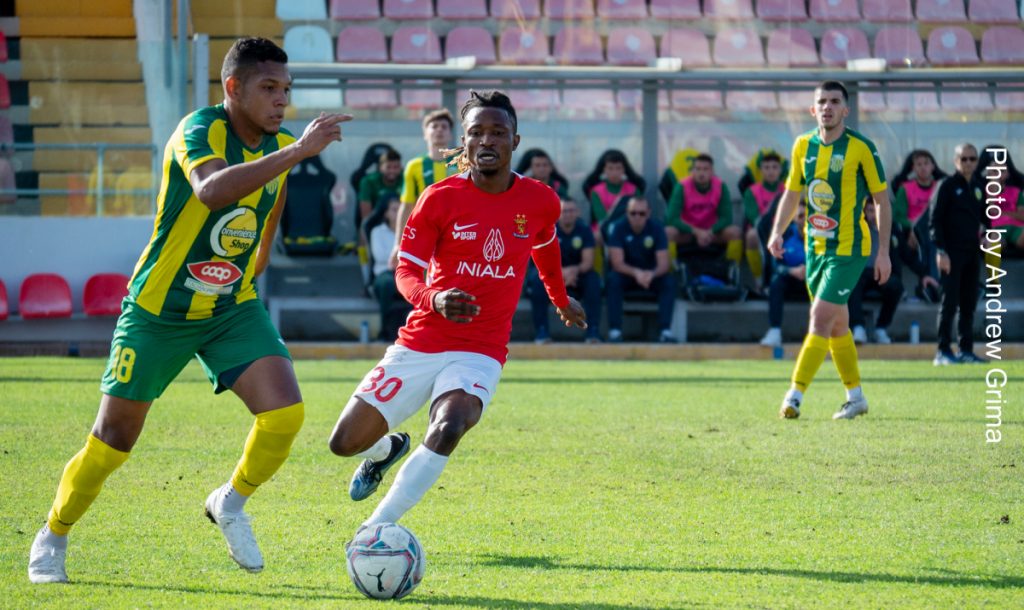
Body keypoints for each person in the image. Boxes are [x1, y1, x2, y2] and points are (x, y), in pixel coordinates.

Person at [27, 37, 352, 583]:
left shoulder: (282, 148)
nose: (281, 101)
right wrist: (297, 152)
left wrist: (247, 275)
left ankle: (230, 501)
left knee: (285, 414)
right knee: (113, 441)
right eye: (269, 88)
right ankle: (53, 534)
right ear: (234, 88)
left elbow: (266, 221)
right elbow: (210, 191)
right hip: (159, 309)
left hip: (230, 306)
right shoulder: (198, 130)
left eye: (286, 90)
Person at [327, 91, 586, 536]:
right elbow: (405, 271)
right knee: (344, 443)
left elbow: (544, 245)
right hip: (421, 341)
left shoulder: (540, 201)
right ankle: (386, 450)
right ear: (463, 144)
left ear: (515, 140)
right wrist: (435, 298)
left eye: (497, 132)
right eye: (476, 133)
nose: (487, 140)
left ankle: (375, 530)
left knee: (449, 425)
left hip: (480, 349)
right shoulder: (439, 198)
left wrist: (559, 298)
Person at [766, 80, 891, 421]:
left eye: (835, 101)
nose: (828, 107)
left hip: (849, 249)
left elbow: (881, 200)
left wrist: (883, 252)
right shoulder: (802, 145)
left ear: (845, 110)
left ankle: (794, 396)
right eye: (822, 101)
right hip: (815, 248)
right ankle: (856, 397)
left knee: (819, 318)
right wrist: (777, 231)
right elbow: (793, 193)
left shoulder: (861, 148)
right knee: (837, 327)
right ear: (813, 109)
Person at [930, 143, 987, 365]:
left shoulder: (979, 186)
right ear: (955, 161)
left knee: (968, 303)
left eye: (973, 159)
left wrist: (986, 235)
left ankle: (966, 350)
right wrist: (940, 251)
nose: (969, 163)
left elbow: (985, 218)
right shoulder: (946, 185)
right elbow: (934, 221)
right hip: (951, 253)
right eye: (964, 159)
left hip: (972, 252)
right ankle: (942, 351)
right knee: (949, 302)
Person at [527, 197, 602, 344]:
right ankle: (542, 333)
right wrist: (560, 273)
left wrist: (573, 271)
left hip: (576, 276)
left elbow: (588, 261)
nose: (568, 214)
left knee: (593, 280)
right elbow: (539, 259)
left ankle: (593, 332)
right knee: (536, 281)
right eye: (564, 211)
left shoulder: (584, 230)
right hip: (551, 274)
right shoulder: (548, 228)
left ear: (577, 212)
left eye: (571, 210)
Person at [389, 108, 457, 269]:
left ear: (450, 134)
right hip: (425, 233)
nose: (439, 129)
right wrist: (398, 244)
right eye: (434, 126)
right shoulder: (414, 166)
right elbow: (406, 205)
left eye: (444, 126)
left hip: (458, 233)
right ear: (425, 133)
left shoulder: (464, 164)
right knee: (425, 283)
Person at [605, 195, 678, 343]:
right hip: (627, 274)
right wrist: (636, 273)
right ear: (627, 213)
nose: (637, 217)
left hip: (651, 276)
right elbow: (617, 262)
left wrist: (651, 274)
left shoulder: (657, 228)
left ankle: (665, 331)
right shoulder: (618, 228)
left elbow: (664, 263)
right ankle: (615, 331)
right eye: (633, 213)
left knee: (669, 282)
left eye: (641, 213)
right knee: (613, 280)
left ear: (648, 213)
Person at [665, 153, 743, 266]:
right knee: (668, 232)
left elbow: (727, 218)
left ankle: (730, 271)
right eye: (697, 169)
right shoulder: (681, 186)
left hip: (712, 233)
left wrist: (709, 232)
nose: (701, 173)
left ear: (712, 171)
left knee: (735, 232)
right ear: (692, 171)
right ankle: (671, 272)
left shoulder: (721, 186)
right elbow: (672, 219)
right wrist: (697, 232)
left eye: (705, 169)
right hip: (688, 232)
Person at [848, 201, 904, 345]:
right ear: (865, 212)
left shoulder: (892, 230)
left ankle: (881, 328)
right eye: (870, 211)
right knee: (852, 281)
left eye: (876, 211)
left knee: (896, 286)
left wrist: (924, 274)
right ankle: (858, 327)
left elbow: (906, 254)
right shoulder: (857, 228)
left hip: (882, 272)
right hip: (861, 273)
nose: (873, 215)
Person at [891, 149, 944, 301]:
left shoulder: (941, 187)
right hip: (913, 235)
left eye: (926, 163)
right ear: (913, 168)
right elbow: (897, 216)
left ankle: (932, 285)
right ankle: (930, 284)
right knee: (928, 240)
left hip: (939, 232)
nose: (923, 167)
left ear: (933, 166)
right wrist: (912, 227)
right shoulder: (905, 188)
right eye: (919, 164)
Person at [759, 201, 807, 347]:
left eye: (808, 215)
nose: (804, 219)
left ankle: (828, 333)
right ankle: (774, 331)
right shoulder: (784, 236)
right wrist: (791, 271)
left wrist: (810, 270)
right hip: (791, 279)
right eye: (800, 215)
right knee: (776, 282)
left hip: (813, 279)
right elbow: (774, 265)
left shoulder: (821, 237)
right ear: (793, 218)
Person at [742, 151, 785, 293]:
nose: (770, 171)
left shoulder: (789, 190)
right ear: (761, 171)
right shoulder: (751, 191)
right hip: (762, 230)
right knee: (751, 235)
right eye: (766, 167)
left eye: (774, 167)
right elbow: (754, 218)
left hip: (784, 230)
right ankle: (759, 280)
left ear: (780, 170)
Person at [582, 149, 646, 239]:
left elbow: (639, 212)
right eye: (610, 168)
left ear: (624, 169)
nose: (614, 172)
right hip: (603, 229)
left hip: (630, 227)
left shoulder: (633, 189)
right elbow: (602, 218)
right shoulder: (596, 191)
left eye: (618, 168)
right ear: (604, 170)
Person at [369, 197, 408, 341]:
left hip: (405, 272)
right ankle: (384, 330)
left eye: (400, 210)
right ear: (385, 213)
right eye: (394, 210)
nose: (398, 213)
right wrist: (401, 257)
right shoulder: (377, 231)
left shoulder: (411, 230)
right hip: (384, 273)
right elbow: (381, 257)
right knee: (387, 284)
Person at [357, 148, 403, 227]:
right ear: (381, 167)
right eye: (388, 167)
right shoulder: (368, 182)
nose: (392, 171)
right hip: (376, 224)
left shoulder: (407, 180)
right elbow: (366, 217)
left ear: (401, 167)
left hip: (402, 223)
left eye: (396, 167)